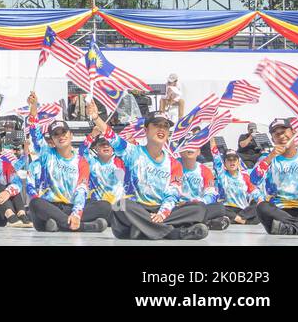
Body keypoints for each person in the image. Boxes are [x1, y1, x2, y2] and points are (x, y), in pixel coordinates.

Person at [86, 102, 210, 241]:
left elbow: (173, 194)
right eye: (156, 125)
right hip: (136, 208)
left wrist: (162, 214)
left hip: (162, 210)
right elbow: (112, 138)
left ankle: (142, 229)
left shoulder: (174, 163)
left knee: (199, 208)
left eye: (165, 126)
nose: (161, 129)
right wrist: (96, 118)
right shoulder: (133, 152)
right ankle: (175, 233)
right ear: (146, 130)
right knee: (121, 206)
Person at [23, 98, 111, 233]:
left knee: (105, 206)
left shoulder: (81, 161)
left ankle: (59, 224)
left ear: (71, 135)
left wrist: (76, 214)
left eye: (63, 132)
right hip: (51, 206)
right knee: (35, 203)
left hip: (72, 206)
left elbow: (81, 189)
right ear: (52, 140)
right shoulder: (47, 154)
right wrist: (33, 108)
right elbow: (35, 133)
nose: (60, 136)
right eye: (56, 134)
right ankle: (82, 226)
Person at [250, 118, 298, 236]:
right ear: (273, 139)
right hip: (279, 212)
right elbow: (254, 180)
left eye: (284, 131)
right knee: (262, 207)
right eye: (276, 134)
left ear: (293, 132)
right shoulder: (267, 159)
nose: (281, 136)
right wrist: (270, 157)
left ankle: (292, 228)